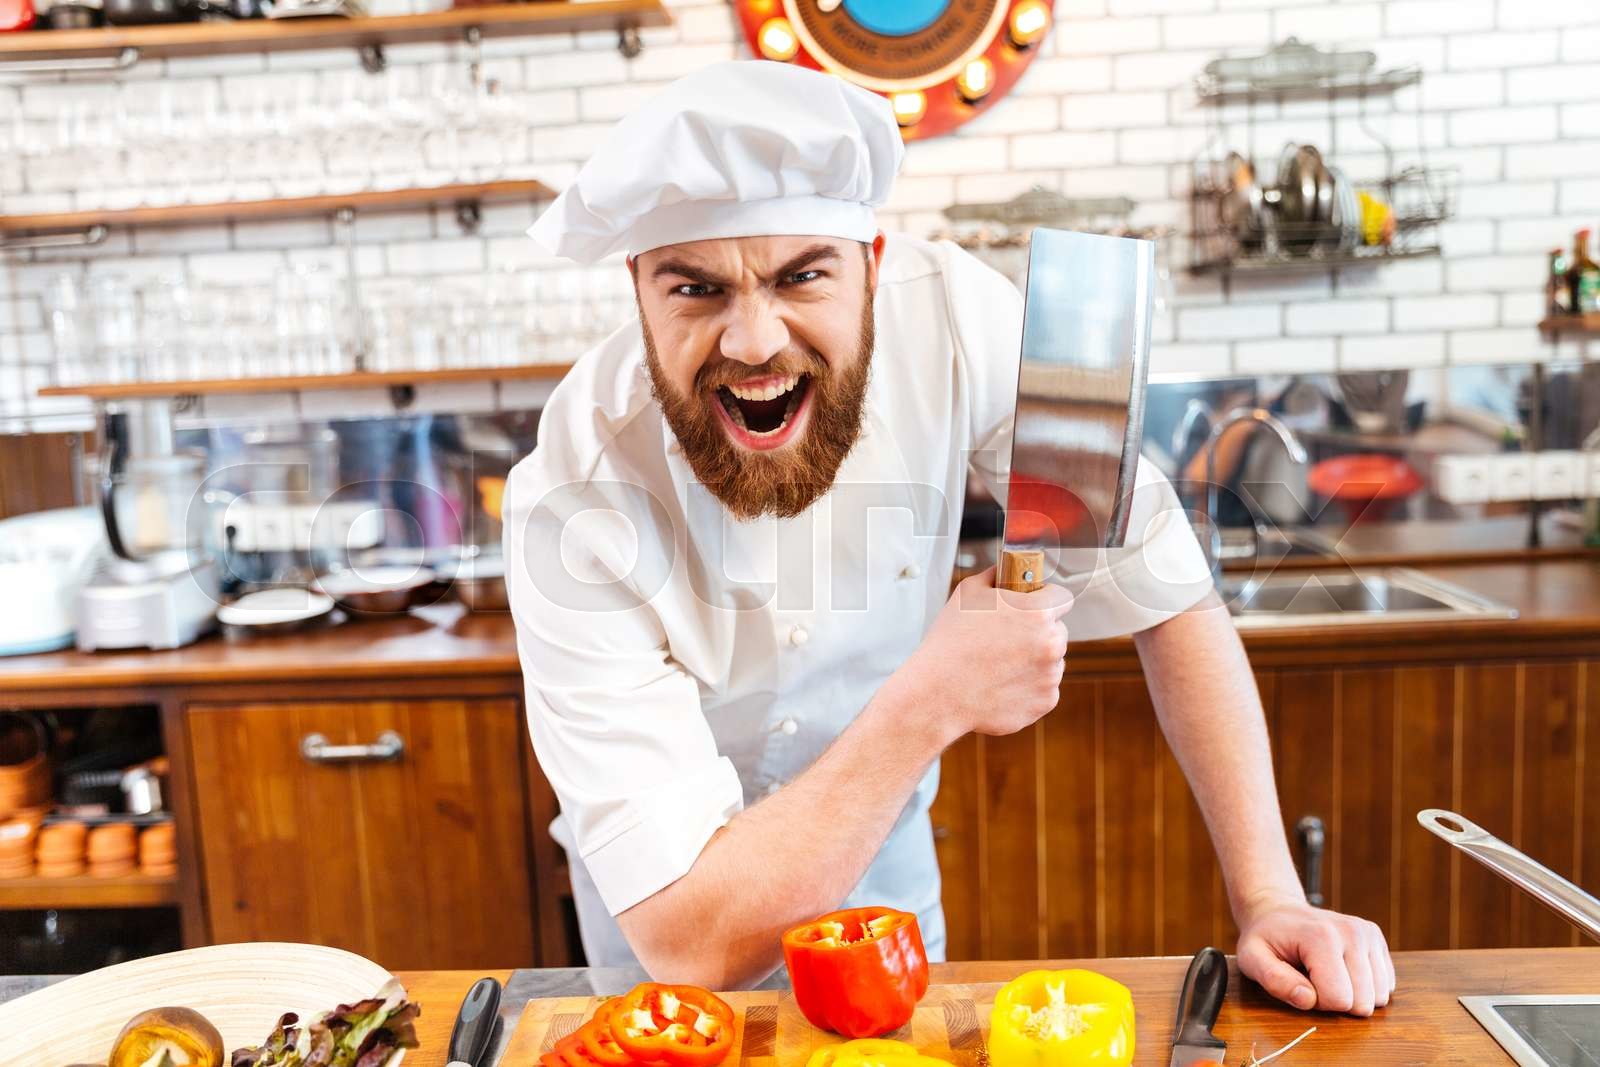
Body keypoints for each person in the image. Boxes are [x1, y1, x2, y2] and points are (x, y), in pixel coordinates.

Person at [503, 60, 1394, 1015]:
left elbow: (1164, 585)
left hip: (887, 904)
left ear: (873, 266)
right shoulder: (569, 494)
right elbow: (693, 937)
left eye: (802, 274)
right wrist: (930, 700)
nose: (754, 340)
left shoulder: (965, 318)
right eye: (696, 290)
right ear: (637, 290)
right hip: (671, 943)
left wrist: (1269, 896)